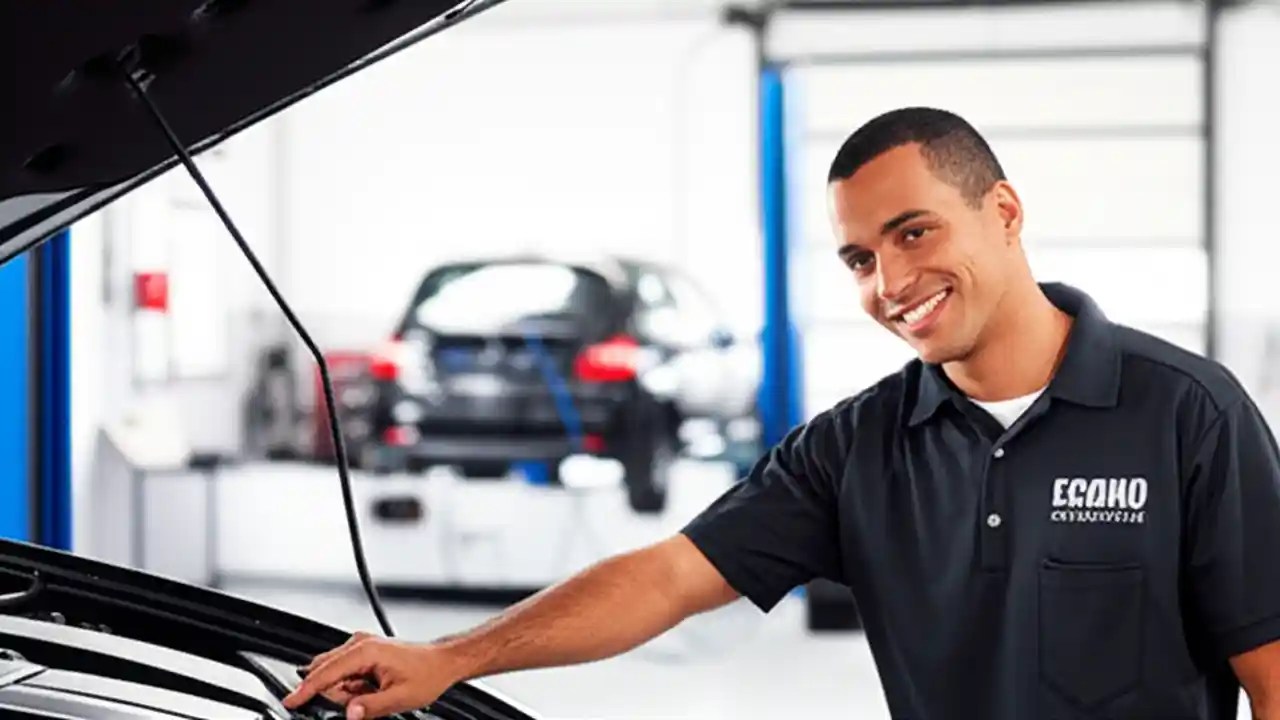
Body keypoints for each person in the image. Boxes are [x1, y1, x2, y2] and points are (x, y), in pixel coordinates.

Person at [284, 107, 1280, 720]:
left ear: (1005, 214)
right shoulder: (854, 448)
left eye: (914, 231)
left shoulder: (1185, 415)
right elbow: (666, 577)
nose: (889, 282)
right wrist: (449, 657)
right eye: (857, 258)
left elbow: (1271, 680)